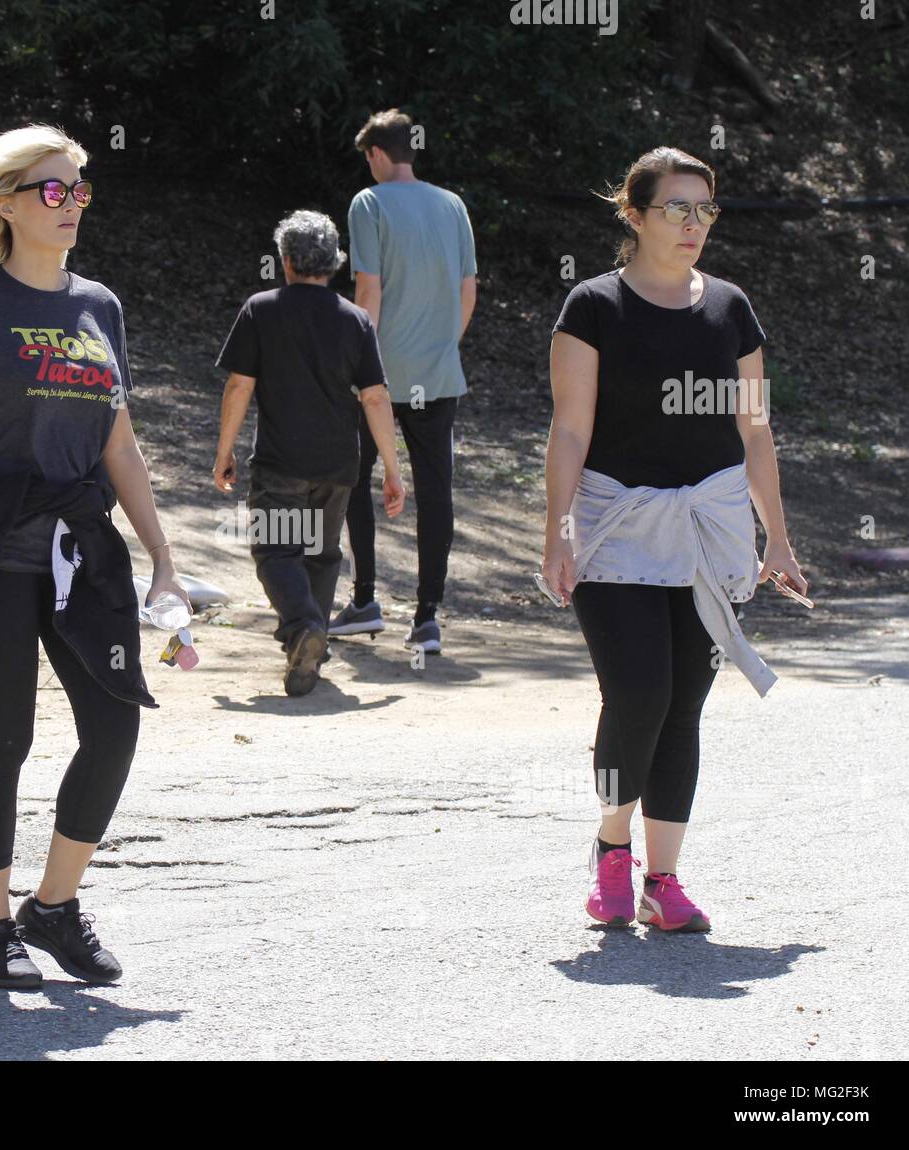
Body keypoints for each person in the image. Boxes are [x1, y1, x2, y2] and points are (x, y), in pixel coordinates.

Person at [0, 123, 189, 988]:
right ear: (8, 204)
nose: (71, 206)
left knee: (115, 725)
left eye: (79, 190)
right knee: (6, 739)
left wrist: (163, 561)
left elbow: (120, 448)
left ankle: (53, 908)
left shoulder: (99, 306)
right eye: (53, 191)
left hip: (82, 549)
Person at [543, 145, 809, 932]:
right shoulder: (591, 306)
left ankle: (665, 878)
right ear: (634, 214)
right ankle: (612, 852)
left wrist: (778, 541)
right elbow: (569, 429)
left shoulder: (731, 307)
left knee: (684, 705)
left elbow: (755, 430)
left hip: (711, 528)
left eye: (705, 209)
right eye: (676, 209)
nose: (694, 224)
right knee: (638, 694)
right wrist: (558, 531)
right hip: (618, 525)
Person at [213, 210, 404, 695]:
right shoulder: (355, 319)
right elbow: (376, 396)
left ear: (286, 260)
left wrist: (224, 450)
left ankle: (304, 630)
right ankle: (309, 654)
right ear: (334, 262)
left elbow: (239, 385)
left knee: (276, 550)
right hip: (339, 465)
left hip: (281, 463)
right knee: (320, 553)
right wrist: (393, 470)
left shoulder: (262, 308)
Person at [330, 108, 478, 654]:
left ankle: (365, 599)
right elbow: (468, 292)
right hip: (438, 374)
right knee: (436, 490)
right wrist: (442, 346)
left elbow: (369, 289)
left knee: (355, 477)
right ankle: (428, 617)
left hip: (379, 374)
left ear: (375, 154)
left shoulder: (368, 203)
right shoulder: (452, 204)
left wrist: (357, 356)